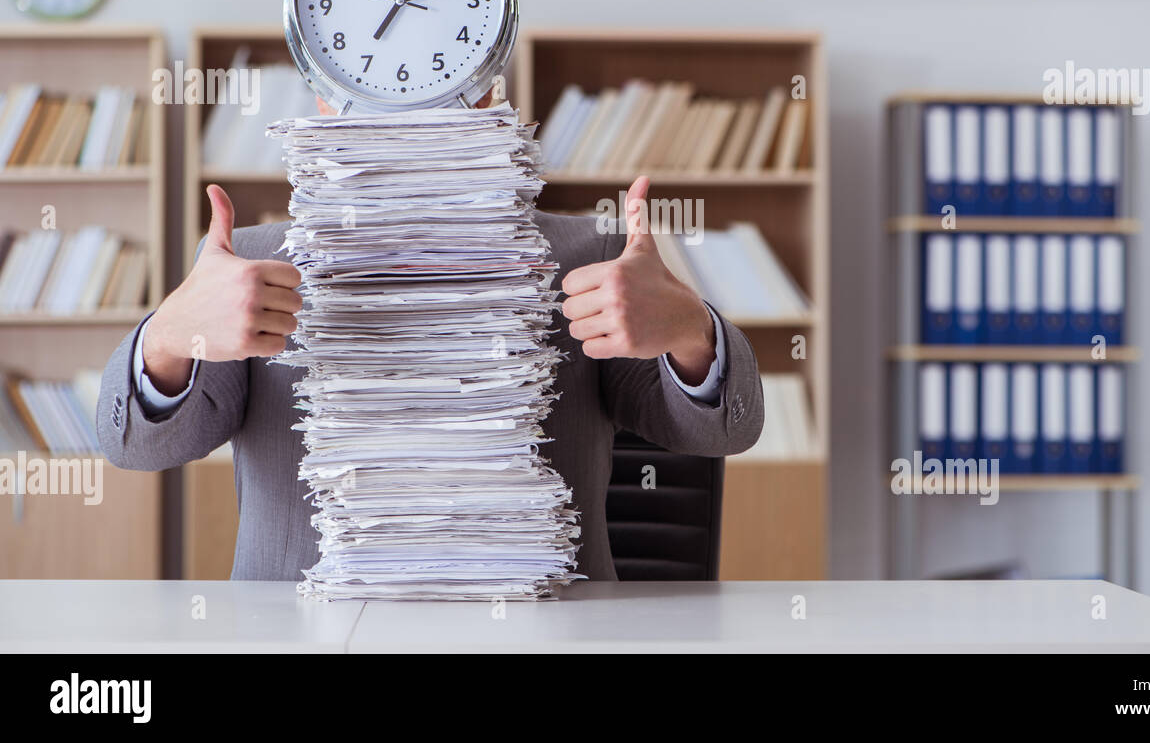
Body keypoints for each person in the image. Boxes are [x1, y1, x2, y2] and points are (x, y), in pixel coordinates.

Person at [95, 93, 763, 582]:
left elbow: (723, 432)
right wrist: (170, 336)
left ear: (489, 97)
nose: (401, 117)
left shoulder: (589, 254)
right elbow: (136, 446)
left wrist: (688, 330)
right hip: (300, 634)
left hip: (542, 633)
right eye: (369, 91)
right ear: (324, 104)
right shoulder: (247, 264)